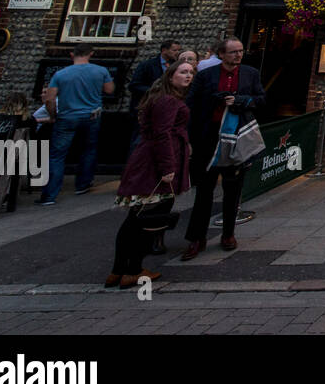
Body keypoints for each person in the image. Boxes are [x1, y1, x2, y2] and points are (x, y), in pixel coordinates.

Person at [109, 61, 193, 288]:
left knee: (135, 218)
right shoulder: (167, 100)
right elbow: (162, 135)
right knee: (148, 219)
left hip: (149, 160)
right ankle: (133, 269)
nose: (188, 75)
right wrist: (168, 168)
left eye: (191, 72)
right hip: (155, 166)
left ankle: (119, 270)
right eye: (183, 72)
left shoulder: (160, 97)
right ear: (170, 75)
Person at [182, 37, 265, 259]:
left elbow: (261, 99)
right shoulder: (206, 76)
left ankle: (228, 234)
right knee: (204, 190)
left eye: (240, 51)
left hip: (236, 137)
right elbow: (191, 104)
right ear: (221, 54)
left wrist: (241, 101)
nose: (238, 55)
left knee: (233, 188)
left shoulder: (250, 74)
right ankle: (196, 238)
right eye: (233, 52)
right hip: (209, 137)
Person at [36, 45, 114, 205]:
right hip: (92, 116)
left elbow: (50, 99)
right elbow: (110, 90)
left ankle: (50, 195)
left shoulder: (60, 74)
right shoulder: (101, 71)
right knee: (88, 149)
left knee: (57, 156)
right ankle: (83, 185)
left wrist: (53, 116)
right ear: (91, 53)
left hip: (67, 117)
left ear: (72, 54)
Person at [127, 41, 180, 151]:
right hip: (146, 108)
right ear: (164, 50)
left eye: (178, 50)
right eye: (174, 50)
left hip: (165, 109)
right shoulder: (147, 65)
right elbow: (134, 85)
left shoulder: (175, 66)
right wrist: (155, 91)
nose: (177, 53)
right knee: (139, 140)